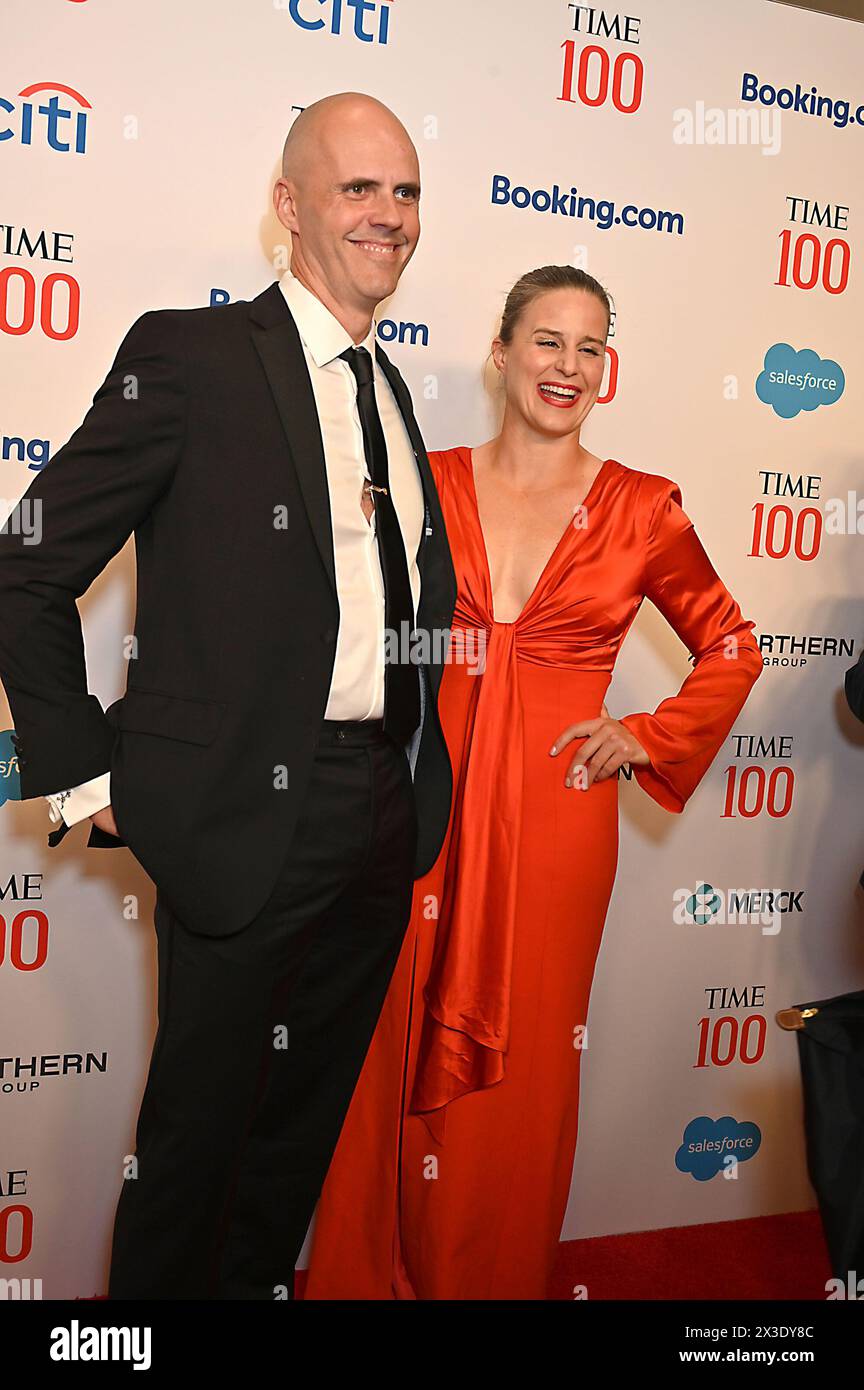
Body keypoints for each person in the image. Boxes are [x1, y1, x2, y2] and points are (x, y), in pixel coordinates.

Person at [0, 91, 456, 1299]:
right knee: (196, 1152)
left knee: (288, 1148)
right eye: (360, 188)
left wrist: (411, 788)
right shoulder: (189, 357)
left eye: (406, 192)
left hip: (376, 821)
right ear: (290, 206)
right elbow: (28, 565)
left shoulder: (394, 395)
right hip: (246, 819)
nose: (389, 216)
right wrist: (82, 771)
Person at [303, 264, 764, 1300]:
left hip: (556, 827)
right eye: (548, 341)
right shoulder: (428, 479)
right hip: (416, 806)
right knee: (385, 1048)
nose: (569, 365)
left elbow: (733, 644)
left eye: (590, 346)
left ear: (609, 369)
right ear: (502, 354)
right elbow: (356, 630)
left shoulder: (644, 508)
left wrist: (647, 733)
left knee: (524, 1074)